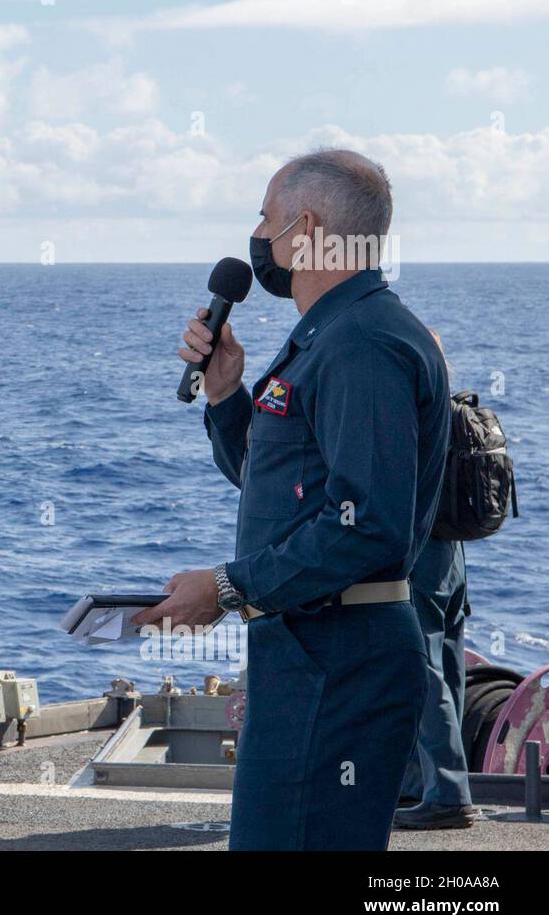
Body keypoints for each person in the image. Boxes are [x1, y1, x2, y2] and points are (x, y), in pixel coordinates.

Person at [150, 149, 449, 850]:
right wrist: (227, 394)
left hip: (340, 654)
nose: (258, 238)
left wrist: (226, 587)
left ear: (306, 227)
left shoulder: (364, 342)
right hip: (308, 646)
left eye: (266, 217)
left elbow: (366, 527)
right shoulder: (331, 334)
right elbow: (281, 488)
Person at [396, 332, 475, 830]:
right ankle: (423, 783)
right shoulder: (449, 404)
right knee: (447, 663)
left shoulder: (412, 408)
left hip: (422, 552)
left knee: (424, 671)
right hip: (453, 555)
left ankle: (446, 793)